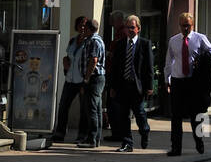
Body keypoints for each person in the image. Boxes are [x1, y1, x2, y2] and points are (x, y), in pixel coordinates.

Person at [165, 12, 211, 156]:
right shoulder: (173, 41)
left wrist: (201, 58)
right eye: (182, 25)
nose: (185, 28)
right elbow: (169, 61)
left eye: (187, 25)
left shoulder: (200, 38)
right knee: (176, 116)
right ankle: (176, 147)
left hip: (193, 82)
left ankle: (199, 141)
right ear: (179, 25)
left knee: (196, 115)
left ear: (192, 25)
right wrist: (166, 79)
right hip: (177, 80)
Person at [109, 15, 154, 151]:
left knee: (139, 113)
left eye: (132, 27)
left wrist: (150, 86)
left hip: (137, 86)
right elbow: (115, 67)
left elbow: (149, 67)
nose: (129, 30)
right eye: (127, 28)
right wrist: (113, 86)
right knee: (123, 115)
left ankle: (144, 131)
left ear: (138, 29)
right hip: (123, 85)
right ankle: (127, 143)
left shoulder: (144, 44)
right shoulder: (120, 44)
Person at [52, 16, 87, 143]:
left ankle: (82, 136)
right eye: (80, 25)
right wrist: (65, 62)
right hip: (70, 78)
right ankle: (60, 132)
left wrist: (87, 80)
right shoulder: (73, 41)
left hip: (82, 79)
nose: (82, 27)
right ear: (76, 27)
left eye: (84, 25)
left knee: (84, 108)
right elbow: (68, 56)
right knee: (63, 106)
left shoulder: (89, 42)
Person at [76, 18, 106, 148]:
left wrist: (86, 78)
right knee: (96, 109)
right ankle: (95, 138)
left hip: (94, 78)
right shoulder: (95, 39)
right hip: (97, 77)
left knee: (92, 109)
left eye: (85, 28)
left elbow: (93, 60)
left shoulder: (94, 41)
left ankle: (92, 139)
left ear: (89, 29)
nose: (83, 30)